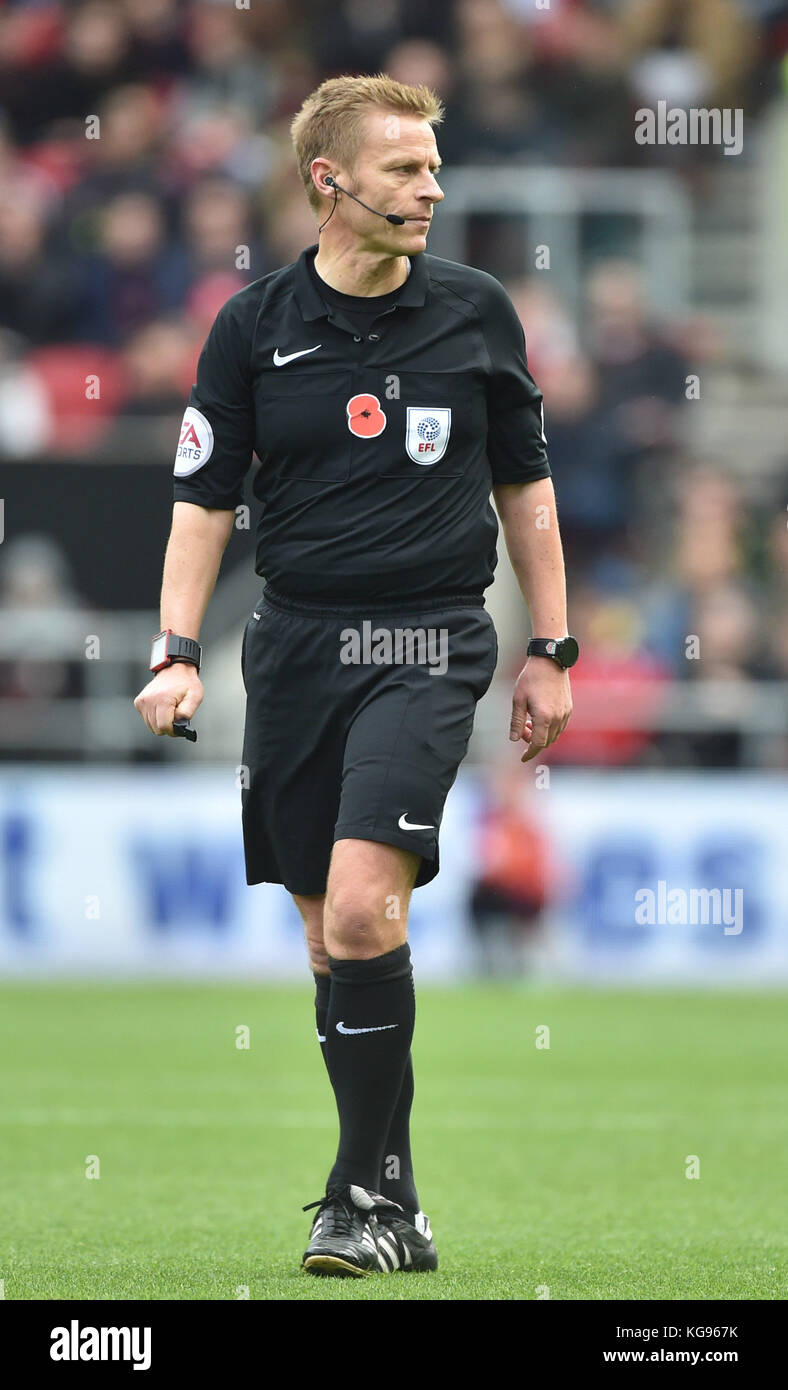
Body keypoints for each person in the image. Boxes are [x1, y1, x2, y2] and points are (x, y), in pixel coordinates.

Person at [133, 74, 576, 1278]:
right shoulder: (251, 326)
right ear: (328, 182)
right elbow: (201, 500)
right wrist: (175, 651)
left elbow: (524, 489)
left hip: (428, 642)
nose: (430, 188)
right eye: (404, 170)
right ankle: (394, 1203)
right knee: (332, 943)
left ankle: (354, 1194)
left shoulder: (478, 312)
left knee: (366, 906)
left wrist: (550, 646)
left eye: (433, 167)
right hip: (293, 647)